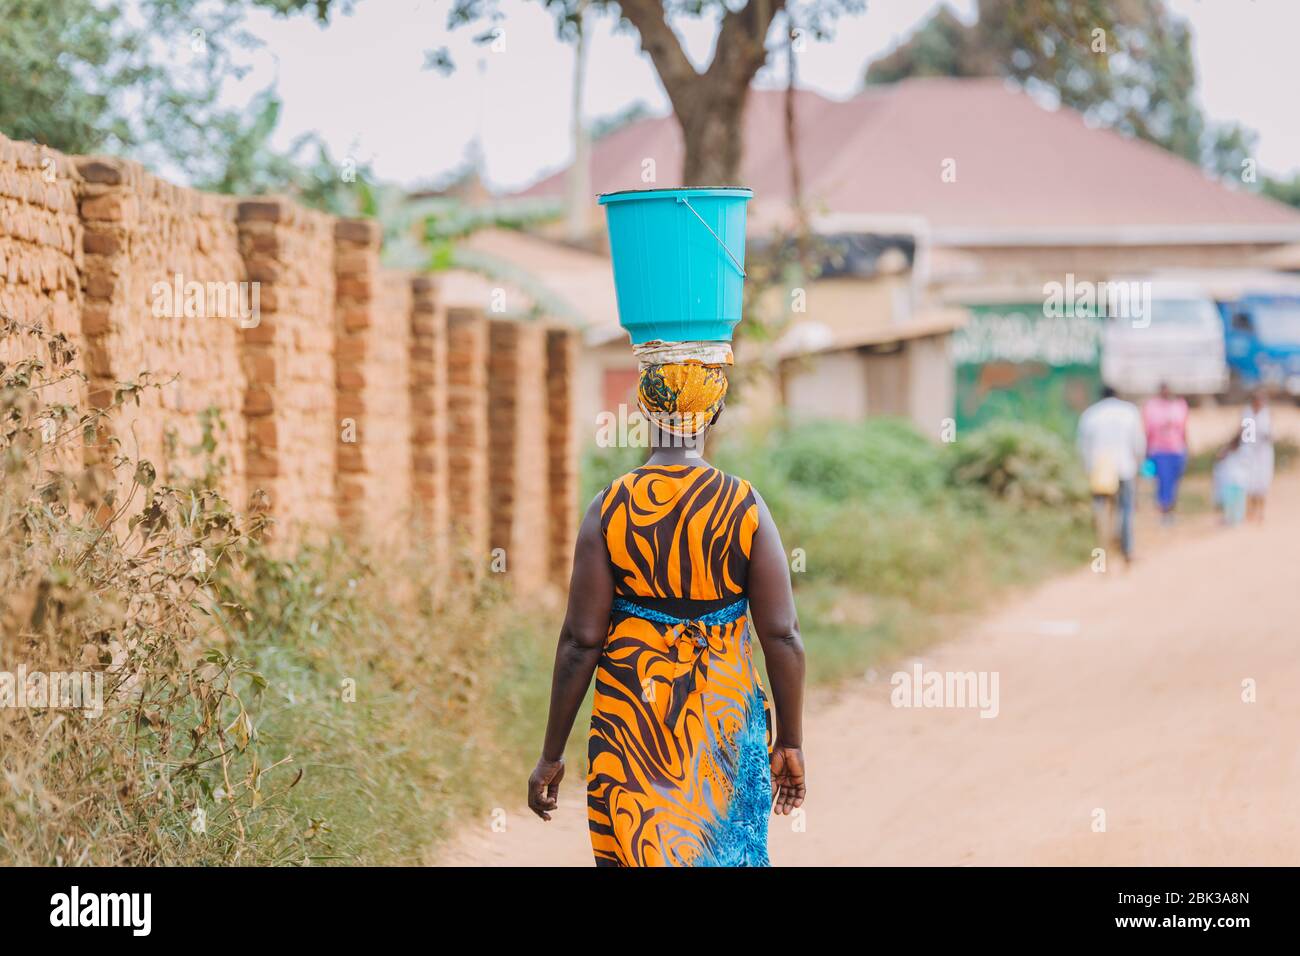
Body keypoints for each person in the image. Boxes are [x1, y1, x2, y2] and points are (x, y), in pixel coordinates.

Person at [527, 355, 806, 866]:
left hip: (630, 720)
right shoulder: (745, 505)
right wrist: (789, 741)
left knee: (639, 847)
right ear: (714, 414)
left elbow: (580, 640)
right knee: (719, 853)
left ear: (644, 414)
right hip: (722, 719)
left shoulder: (608, 507)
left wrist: (551, 754)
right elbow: (782, 634)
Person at [1078, 385, 1146, 564]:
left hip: (1099, 470)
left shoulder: (1090, 415)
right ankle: (1127, 551)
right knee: (1126, 509)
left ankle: (1100, 558)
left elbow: (1083, 447)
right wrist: (1138, 465)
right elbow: (1138, 443)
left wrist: (1087, 469)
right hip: (1125, 467)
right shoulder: (1129, 412)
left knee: (1101, 512)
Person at [1141, 383, 1189, 523]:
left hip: (1177, 449)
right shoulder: (1151, 407)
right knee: (1163, 481)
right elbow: (1147, 431)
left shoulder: (1180, 406)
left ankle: (1171, 509)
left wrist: (1187, 448)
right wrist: (1146, 451)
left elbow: (1184, 429)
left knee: (1174, 481)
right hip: (1159, 450)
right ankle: (1164, 511)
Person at [1239, 388, 1274, 522]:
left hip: (1264, 454)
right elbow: (1242, 433)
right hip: (1249, 452)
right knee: (1249, 482)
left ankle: (1260, 512)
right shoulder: (1247, 413)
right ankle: (1250, 511)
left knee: (1262, 483)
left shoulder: (1267, 414)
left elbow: (1270, 434)